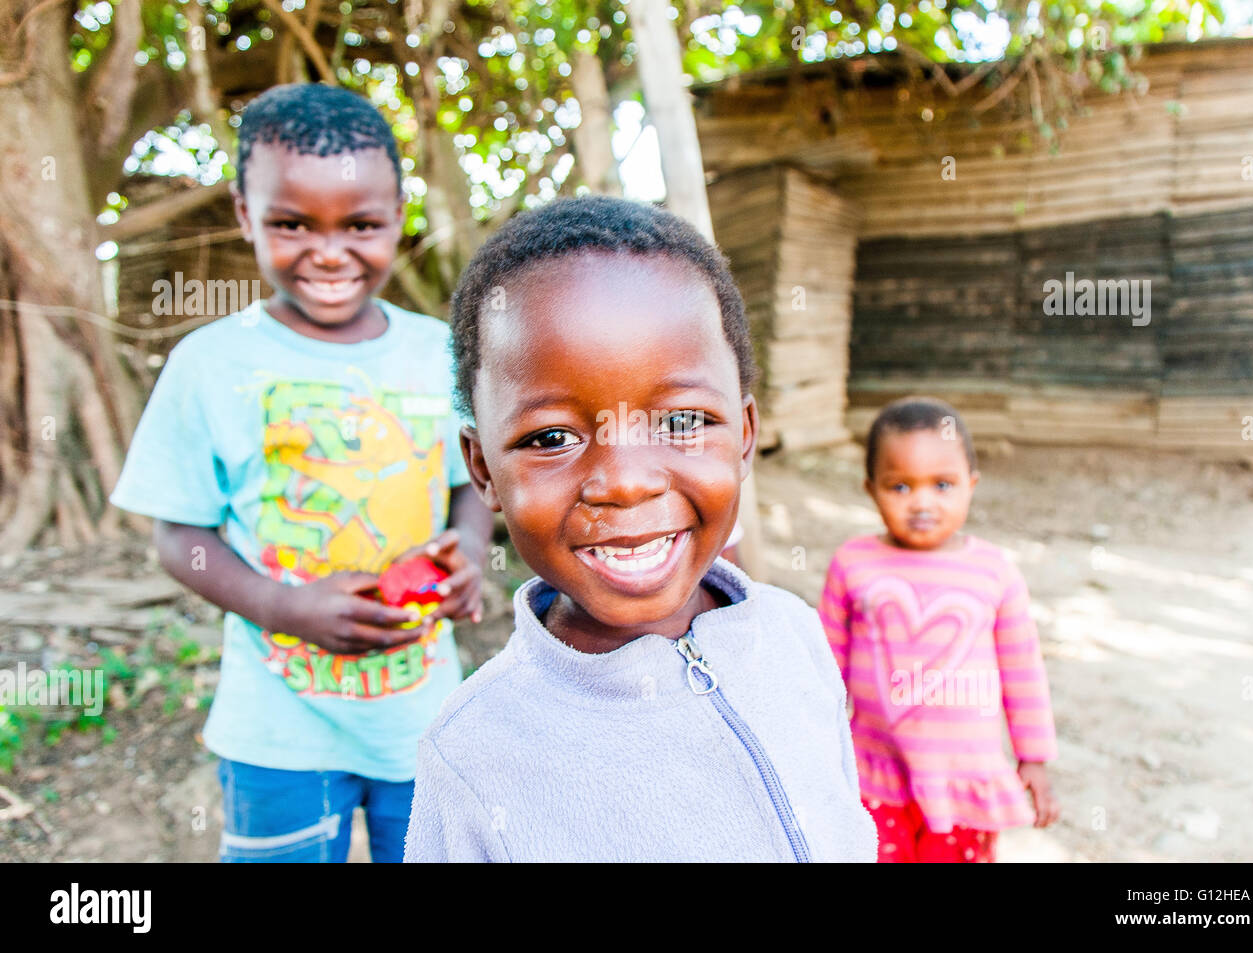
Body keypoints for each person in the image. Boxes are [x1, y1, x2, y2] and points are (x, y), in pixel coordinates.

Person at [402, 196, 877, 862]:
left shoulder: (794, 634)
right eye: (552, 436)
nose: (625, 481)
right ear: (482, 468)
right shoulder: (475, 753)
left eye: (681, 421)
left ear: (743, 433)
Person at [109, 84, 493, 863]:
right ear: (248, 218)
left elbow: (468, 479)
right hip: (275, 723)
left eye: (361, 224)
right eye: (291, 223)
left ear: (397, 217)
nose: (328, 251)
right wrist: (282, 605)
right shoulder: (209, 364)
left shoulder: (438, 351)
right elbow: (176, 533)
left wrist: (471, 550)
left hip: (422, 714)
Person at [818, 397, 1060, 862]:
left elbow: (1023, 670)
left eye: (943, 484)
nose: (922, 502)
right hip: (875, 773)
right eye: (901, 486)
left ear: (971, 485)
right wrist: (818, 749)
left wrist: (1034, 757)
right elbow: (826, 667)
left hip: (965, 778)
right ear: (871, 489)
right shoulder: (853, 563)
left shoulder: (994, 571)